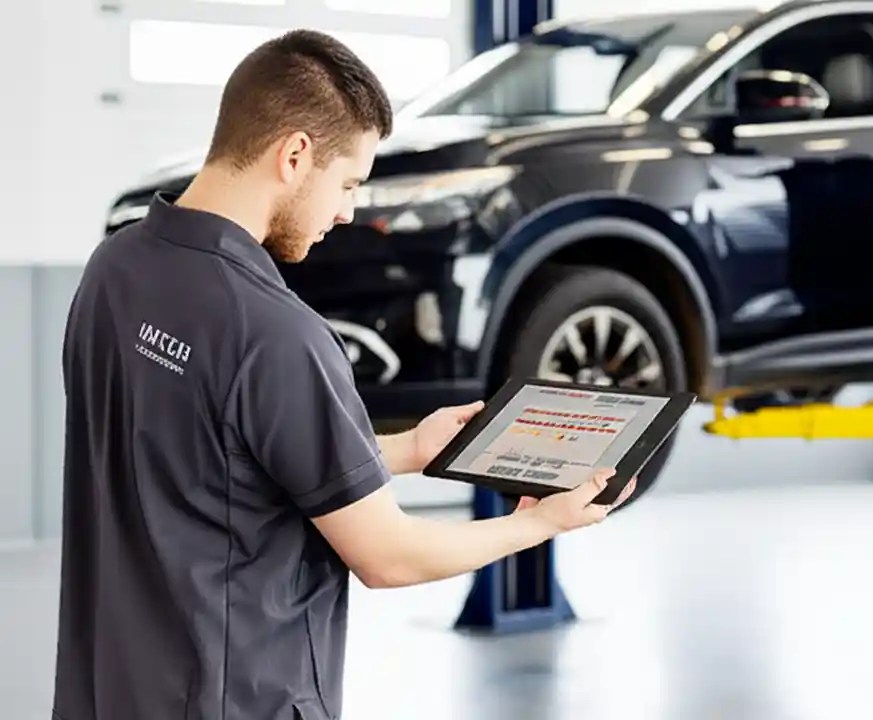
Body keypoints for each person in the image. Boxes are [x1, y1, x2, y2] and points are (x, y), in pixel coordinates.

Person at [52, 29, 635, 720]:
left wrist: (403, 452)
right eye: (350, 181)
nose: (349, 210)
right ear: (295, 155)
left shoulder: (115, 271)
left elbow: (213, 459)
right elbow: (389, 557)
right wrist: (541, 525)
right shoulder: (276, 332)